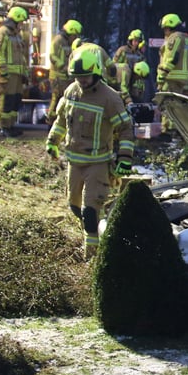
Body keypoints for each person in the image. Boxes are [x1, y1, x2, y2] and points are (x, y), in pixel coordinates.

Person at [45, 42, 134, 260]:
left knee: (91, 209)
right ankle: (101, 234)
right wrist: (52, 141)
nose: (81, 80)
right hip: (74, 161)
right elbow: (62, 121)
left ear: (96, 73)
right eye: (77, 76)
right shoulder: (71, 91)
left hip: (98, 162)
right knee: (74, 206)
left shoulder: (110, 98)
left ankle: (92, 256)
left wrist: (124, 158)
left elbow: (125, 129)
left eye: (85, 76)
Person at [156, 13, 188, 138]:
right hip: (181, 77)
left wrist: (162, 76)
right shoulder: (186, 38)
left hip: (171, 77)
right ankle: (176, 131)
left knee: (167, 104)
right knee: (176, 105)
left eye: (165, 28)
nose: (165, 31)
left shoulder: (174, 37)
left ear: (170, 26)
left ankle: (168, 133)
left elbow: (171, 58)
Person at [0, 6, 31, 137]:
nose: (22, 24)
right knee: (7, 100)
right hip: (8, 74)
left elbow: (22, 56)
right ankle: (4, 127)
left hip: (18, 74)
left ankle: (11, 125)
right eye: (21, 21)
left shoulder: (17, 35)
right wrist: (3, 71)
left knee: (15, 100)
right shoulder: (2, 33)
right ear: (15, 20)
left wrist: (25, 73)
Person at [48, 19, 81, 122]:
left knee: (65, 100)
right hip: (57, 76)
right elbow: (52, 56)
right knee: (56, 98)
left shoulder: (70, 43)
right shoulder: (58, 40)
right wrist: (63, 66)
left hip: (66, 77)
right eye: (74, 35)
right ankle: (51, 120)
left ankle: (61, 121)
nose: (75, 38)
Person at [113, 29, 150, 104]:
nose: (136, 43)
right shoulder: (123, 50)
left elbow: (143, 69)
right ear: (130, 40)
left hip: (134, 79)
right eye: (135, 40)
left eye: (138, 41)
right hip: (123, 77)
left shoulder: (140, 55)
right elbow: (115, 64)